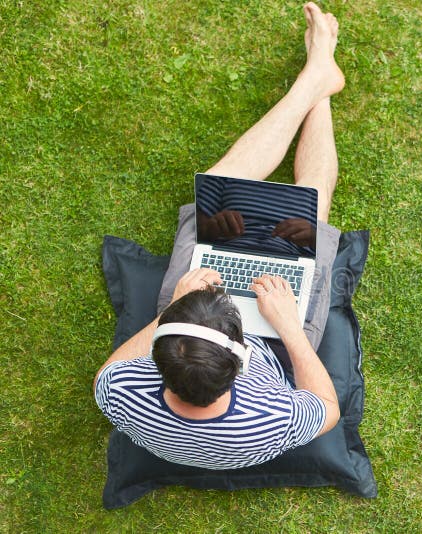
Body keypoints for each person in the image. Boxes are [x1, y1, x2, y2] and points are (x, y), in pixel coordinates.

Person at [94, 2, 345, 469]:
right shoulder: (272, 416)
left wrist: (175, 305)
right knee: (309, 204)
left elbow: (105, 375)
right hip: (279, 336)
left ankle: (315, 79)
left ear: (159, 359)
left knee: (219, 192)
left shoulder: (120, 394)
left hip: (196, 334)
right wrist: (288, 326)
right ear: (242, 361)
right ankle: (320, 87)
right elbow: (328, 410)